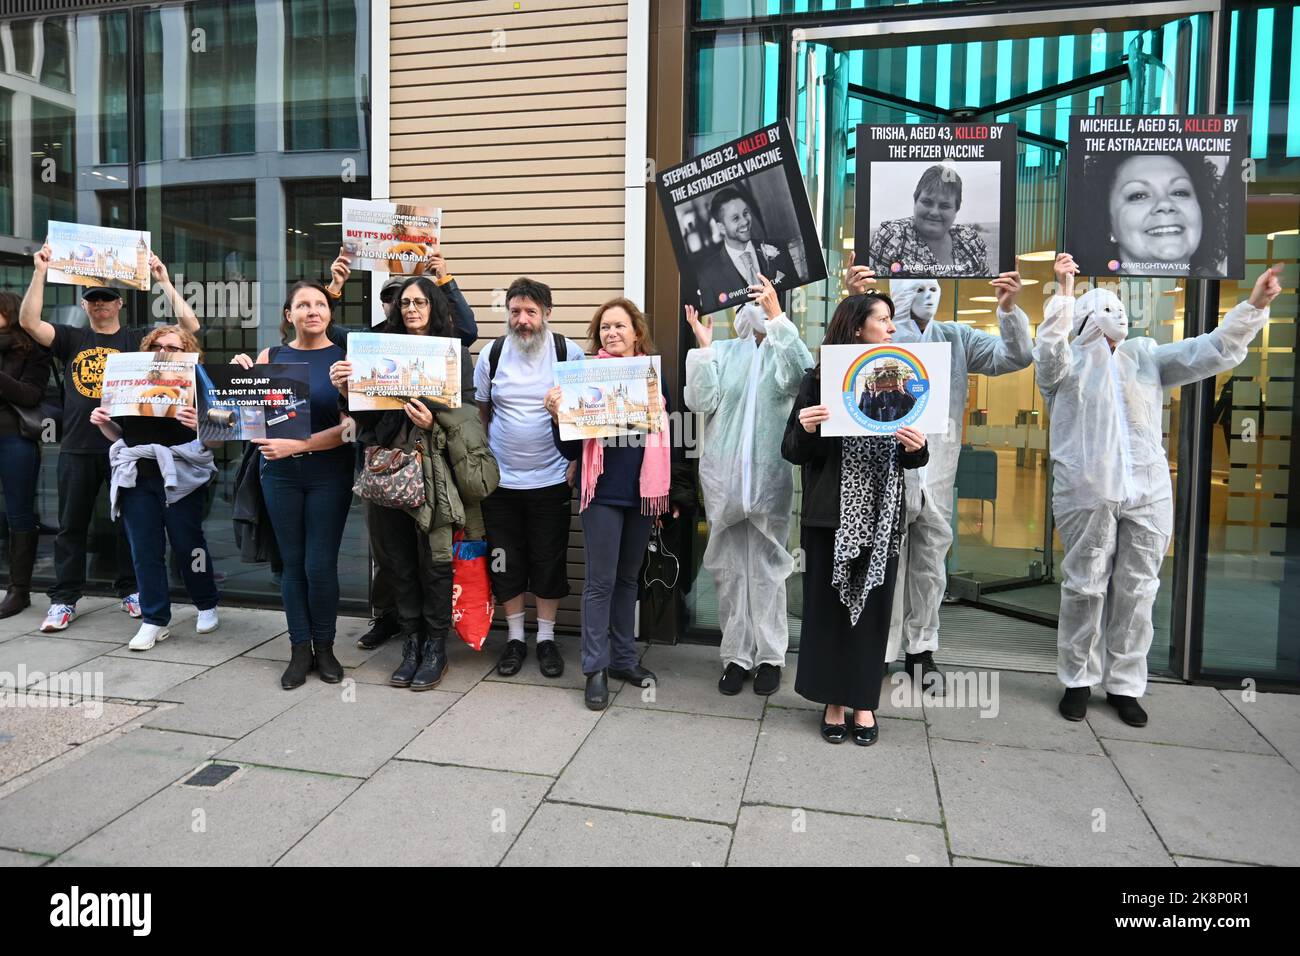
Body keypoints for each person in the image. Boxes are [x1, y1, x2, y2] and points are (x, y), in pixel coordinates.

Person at [1038, 254, 1282, 726]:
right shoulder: (1065, 366)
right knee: (1085, 587)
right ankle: (1077, 680)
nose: (1121, 314)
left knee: (1138, 588)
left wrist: (1252, 306)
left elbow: (1208, 350)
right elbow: (1048, 352)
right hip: (1088, 491)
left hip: (1147, 490)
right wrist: (1064, 295)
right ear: (1087, 317)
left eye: (1122, 306)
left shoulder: (1144, 356)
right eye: (1108, 308)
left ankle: (1125, 685)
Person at [846, 263, 1031, 692]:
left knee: (930, 560)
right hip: (886, 470)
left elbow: (1016, 357)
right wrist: (854, 302)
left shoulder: (957, 337)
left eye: (935, 286)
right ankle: (881, 649)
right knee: (886, 562)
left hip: (938, 470)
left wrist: (1008, 311)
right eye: (920, 287)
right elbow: (843, 368)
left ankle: (921, 648)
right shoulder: (882, 336)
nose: (930, 294)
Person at [20, 242, 201, 633]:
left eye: (107, 299)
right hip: (77, 447)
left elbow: (190, 328)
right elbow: (30, 322)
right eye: (93, 300)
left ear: (119, 304)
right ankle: (64, 599)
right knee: (71, 525)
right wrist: (40, 271)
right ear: (85, 306)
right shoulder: (70, 338)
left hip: (126, 448)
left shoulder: (136, 339)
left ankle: (131, 590)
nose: (99, 305)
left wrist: (164, 281)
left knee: (129, 526)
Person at [781, 292, 929, 745]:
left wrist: (915, 446)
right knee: (827, 611)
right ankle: (833, 702)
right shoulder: (820, 379)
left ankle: (863, 702)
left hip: (883, 515)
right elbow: (791, 451)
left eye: (890, 320)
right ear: (856, 326)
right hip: (830, 515)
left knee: (874, 610)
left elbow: (917, 457)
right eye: (882, 320)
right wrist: (806, 427)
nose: (891, 328)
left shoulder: (903, 376)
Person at [329, 276, 488, 690]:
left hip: (434, 473)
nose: (411, 309)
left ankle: (436, 647)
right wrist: (346, 391)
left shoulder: (454, 354)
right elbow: (364, 421)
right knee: (397, 561)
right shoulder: (378, 352)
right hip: (386, 472)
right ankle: (411, 641)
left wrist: (435, 421)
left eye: (419, 302)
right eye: (404, 303)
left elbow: (469, 415)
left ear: (434, 305)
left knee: (434, 563)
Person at [683, 274, 812, 696]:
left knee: (768, 572)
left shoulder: (784, 349)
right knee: (729, 572)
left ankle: (770, 657)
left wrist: (779, 321)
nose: (753, 309)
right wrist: (703, 348)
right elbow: (700, 403)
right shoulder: (722, 351)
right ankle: (736, 656)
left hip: (768, 479)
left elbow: (800, 381)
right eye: (750, 302)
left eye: (763, 301)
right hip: (723, 478)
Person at [545, 298, 669, 710]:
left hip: (641, 493)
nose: (611, 333)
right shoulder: (584, 377)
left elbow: (670, 435)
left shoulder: (652, 377)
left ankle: (623, 660)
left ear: (637, 332)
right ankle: (594, 668)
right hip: (599, 491)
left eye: (619, 326)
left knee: (628, 580)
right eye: (604, 328)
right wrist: (557, 415)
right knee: (600, 582)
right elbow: (568, 449)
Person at [231, 281, 353, 690]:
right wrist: (238, 381)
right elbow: (247, 422)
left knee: (321, 565)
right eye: (303, 304)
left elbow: (352, 430)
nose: (313, 310)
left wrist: (297, 444)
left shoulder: (345, 361)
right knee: (292, 565)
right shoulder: (272, 356)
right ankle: (299, 648)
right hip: (278, 474)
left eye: (320, 304)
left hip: (328, 472)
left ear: (329, 313)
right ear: (290, 315)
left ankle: (326, 647)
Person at [475, 278, 585, 679]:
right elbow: (483, 413)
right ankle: (516, 639)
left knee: (549, 562)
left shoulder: (567, 353)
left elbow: (583, 415)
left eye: (531, 312)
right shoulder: (493, 352)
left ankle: (546, 640)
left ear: (547, 314)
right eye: (515, 311)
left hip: (553, 480)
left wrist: (575, 463)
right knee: (505, 563)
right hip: (500, 485)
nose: (522, 320)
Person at [92, 326, 220, 650]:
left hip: (182, 475)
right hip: (137, 475)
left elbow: (220, 438)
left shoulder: (200, 383)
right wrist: (103, 421)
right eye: (158, 346)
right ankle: (153, 619)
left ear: (186, 351)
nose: (165, 352)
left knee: (189, 545)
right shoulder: (132, 383)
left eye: (174, 348)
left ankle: (206, 603)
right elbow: (121, 434)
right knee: (144, 549)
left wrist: (201, 425)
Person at [1079, 152, 1230, 276]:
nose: (1165, 204)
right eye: (1138, 195)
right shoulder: (1098, 295)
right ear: (1107, 225)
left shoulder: (1215, 282)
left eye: (1179, 192)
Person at [0, 292, 53, 618]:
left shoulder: (33, 349)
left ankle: (19, 590)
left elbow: (31, 394)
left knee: (19, 514)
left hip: (14, 437)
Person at [866, 165, 991, 277]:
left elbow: (988, 288)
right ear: (915, 201)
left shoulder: (971, 240)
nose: (934, 212)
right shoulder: (892, 237)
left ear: (956, 209)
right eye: (927, 202)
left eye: (944, 206)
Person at [693, 186, 800, 311]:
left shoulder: (779, 248)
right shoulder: (708, 275)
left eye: (745, 213)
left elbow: (796, 292)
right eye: (736, 218)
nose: (745, 221)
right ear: (721, 227)